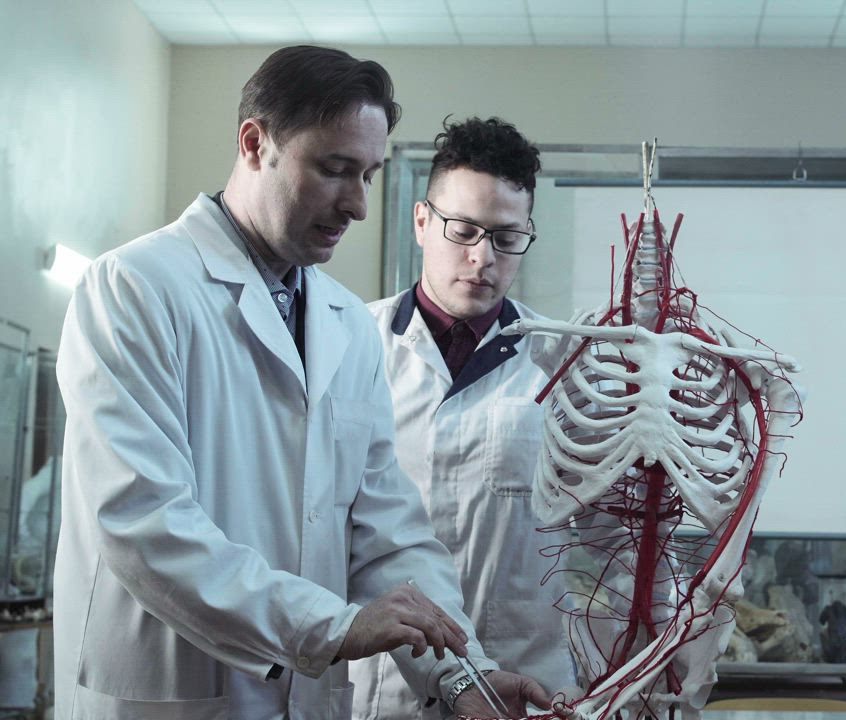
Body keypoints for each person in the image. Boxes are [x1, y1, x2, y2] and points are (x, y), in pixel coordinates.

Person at [54, 46, 549, 720]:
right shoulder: (136, 289)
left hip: (303, 697)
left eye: (370, 175)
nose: (359, 206)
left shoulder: (345, 324)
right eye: (336, 169)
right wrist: (334, 627)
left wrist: (464, 680)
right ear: (256, 143)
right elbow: (143, 523)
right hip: (168, 694)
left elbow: (388, 533)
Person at [350, 117, 576, 718]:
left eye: (505, 237)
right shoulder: (351, 344)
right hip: (383, 689)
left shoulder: (563, 363)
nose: (482, 257)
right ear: (422, 222)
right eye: (464, 230)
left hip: (525, 683)